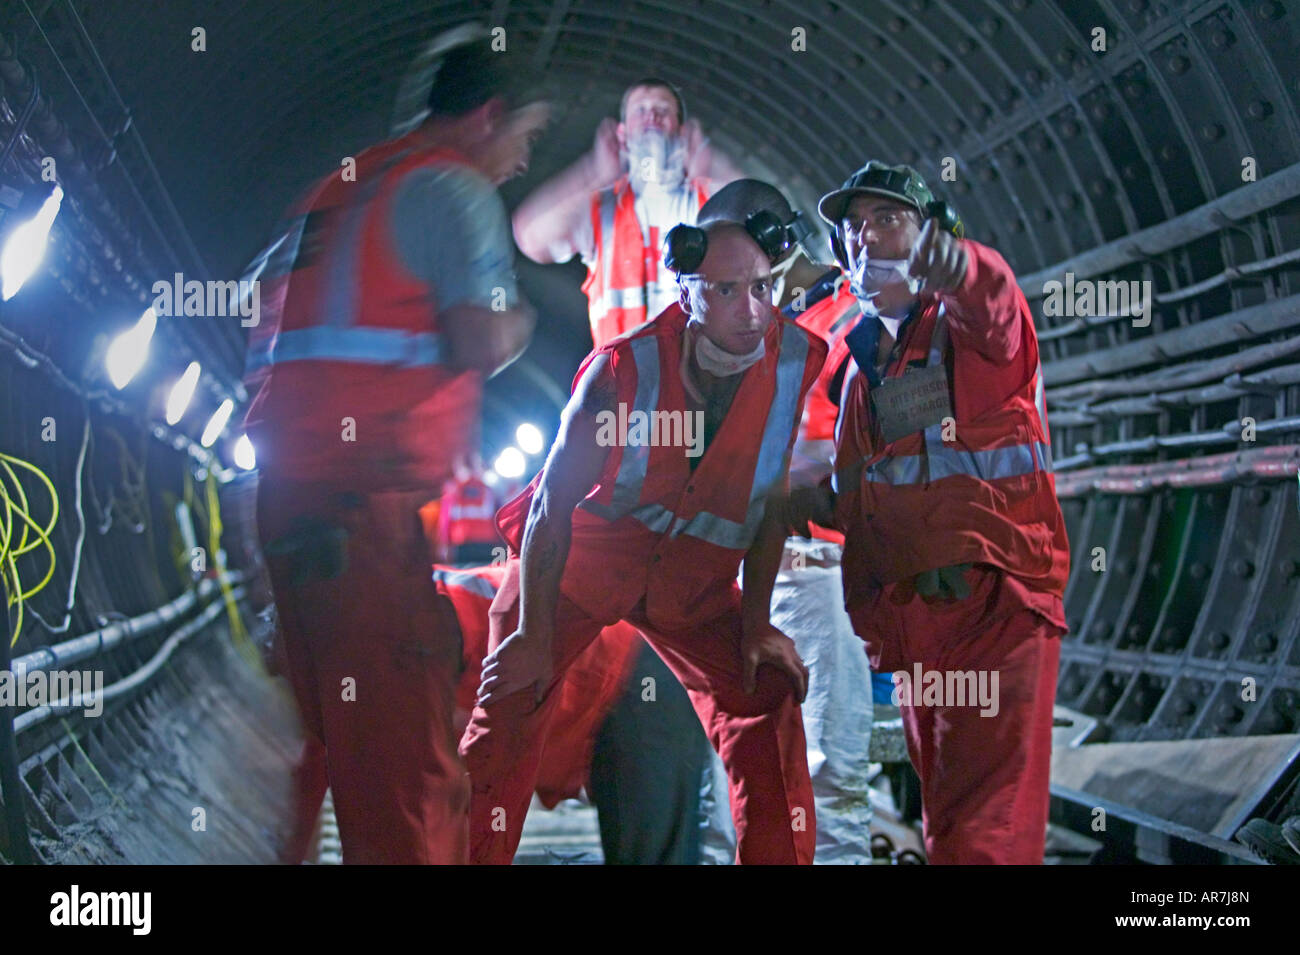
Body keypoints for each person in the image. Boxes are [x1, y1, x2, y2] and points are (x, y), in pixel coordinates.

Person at [243, 28, 548, 864]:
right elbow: (480, 338)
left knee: (336, 748)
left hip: (290, 501)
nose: (522, 159)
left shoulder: (338, 190)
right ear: (488, 116)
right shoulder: (452, 190)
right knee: (408, 771)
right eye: (525, 136)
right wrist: (528, 318)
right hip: (363, 513)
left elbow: (257, 322)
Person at [461, 219, 827, 865]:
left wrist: (757, 624)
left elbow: (769, 503)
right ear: (686, 291)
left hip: (691, 586)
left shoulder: (793, 362)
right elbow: (551, 502)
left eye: (762, 288)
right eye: (725, 289)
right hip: (581, 566)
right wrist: (533, 634)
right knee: (510, 704)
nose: (751, 311)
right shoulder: (623, 372)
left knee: (767, 691)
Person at [797, 161, 1070, 864]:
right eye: (854, 227)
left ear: (930, 237)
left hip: (992, 607)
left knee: (985, 828)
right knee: (948, 822)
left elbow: (996, 306)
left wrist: (964, 266)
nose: (866, 238)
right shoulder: (865, 367)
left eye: (888, 220)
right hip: (919, 628)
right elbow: (863, 499)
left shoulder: (963, 328)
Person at [511, 78, 742, 864]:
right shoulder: (604, 208)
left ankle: (697, 818)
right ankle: (647, 792)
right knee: (633, 641)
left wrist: (714, 162)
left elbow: (774, 242)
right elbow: (533, 232)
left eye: (665, 117)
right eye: (639, 116)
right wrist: (594, 166)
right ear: (620, 129)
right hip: (618, 455)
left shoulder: (716, 204)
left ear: (683, 130)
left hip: (703, 457)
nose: (653, 129)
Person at [695, 179, 875, 864]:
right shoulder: (753, 322)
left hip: (814, 565)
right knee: (733, 770)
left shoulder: (853, 318)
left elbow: (900, 436)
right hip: (739, 572)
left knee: (823, 772)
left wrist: (812, 469)